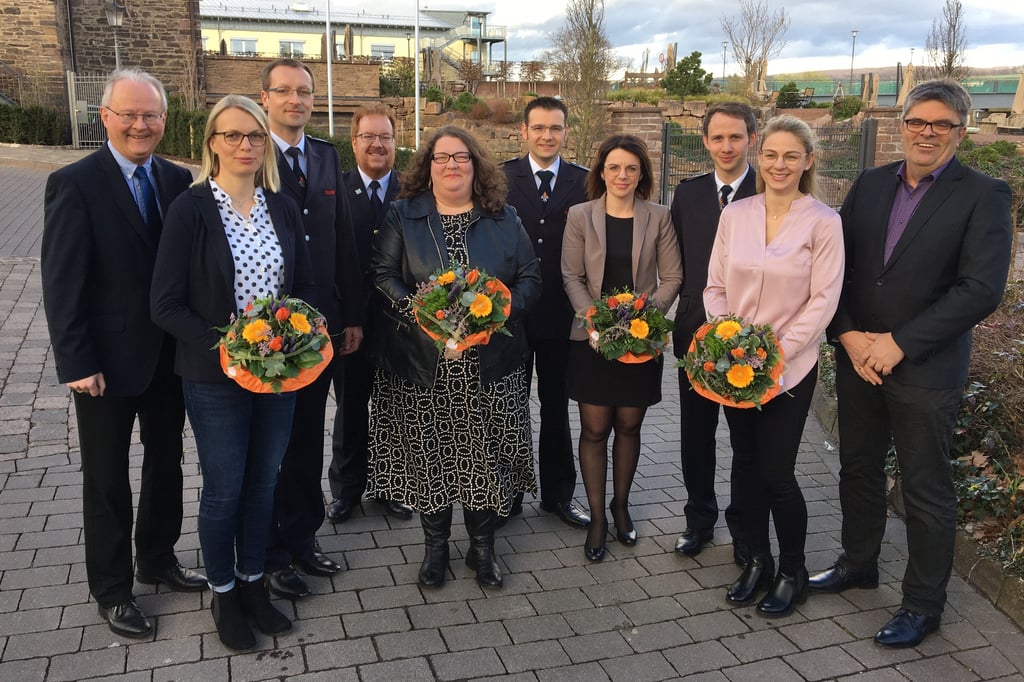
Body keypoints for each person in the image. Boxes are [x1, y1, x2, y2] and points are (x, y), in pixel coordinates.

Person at [811, 79, 1013, 646]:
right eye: (917, 122)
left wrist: (898, 342)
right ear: (901, 124)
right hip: (858, 360)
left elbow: (980, 289)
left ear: (961, 130)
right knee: (858, 467)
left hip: (924, 369)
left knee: (925, 488)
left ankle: (924, 605)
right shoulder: (871, 184)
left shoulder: (984, 194)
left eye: (941, 124)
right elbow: (838, 269)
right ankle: (858, 562)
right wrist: (848, 335)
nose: (927, 132)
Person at [40, 67, 205, 640]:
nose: (140, 124)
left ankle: (157, 558)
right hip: (104, 366)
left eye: (151, 115)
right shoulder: (74, 183)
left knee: (168, 462)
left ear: (164, 119)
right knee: (107, 479)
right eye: (129, 114)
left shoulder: (176, 179)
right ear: (105, 117)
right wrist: (77, 362)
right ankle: (111, 590)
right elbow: (62, 283)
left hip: (168, 357)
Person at [151, 95, 317, 651]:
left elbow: (302, 289)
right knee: (225, 490)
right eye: (232, 135)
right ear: (211, 143)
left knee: (263, 485)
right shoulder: (191, 208)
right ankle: (223, 593)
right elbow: (165, 303)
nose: (245, 145)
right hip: (214, 376)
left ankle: (252, 585)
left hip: (279, 376)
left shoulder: (283, 206)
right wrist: (227, 348)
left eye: (254, 136)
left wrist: (299, 344)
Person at [368, 125, 541, 589]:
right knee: (431, 457)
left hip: (489, 364)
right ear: (427, 166)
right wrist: (424, 314)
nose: (451, 165)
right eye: (441, 158)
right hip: (424, 364)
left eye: (461, 157)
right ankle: (435, 549)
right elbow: (384, 273)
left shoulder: (505, 217)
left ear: (476, 164)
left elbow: (530, 277)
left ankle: (483, 550)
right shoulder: (403, 215)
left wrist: (496, 315)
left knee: (484, 456)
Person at [705, 115, 844, 616]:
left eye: (791, 156)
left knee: (777, 471)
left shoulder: (824, 222)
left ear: (807, 161)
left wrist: (776, 351)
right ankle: (757, 559)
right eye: (771, 155)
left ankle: (793, 569)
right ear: (758, 158)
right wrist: (730, 339)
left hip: (789, 367)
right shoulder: (735, 215)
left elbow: (824, 299)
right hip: (735, 364)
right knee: (745, 464)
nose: (779, 164)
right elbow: (715, 286)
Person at [258, 57, 363, 600]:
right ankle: (268, 553)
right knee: (271, 445)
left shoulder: (324, 156)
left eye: (304, 92)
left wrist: (349, 319)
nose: (295, 100)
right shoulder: (250, 153)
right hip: (267, 335)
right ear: (266, 97)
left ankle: (302, 540)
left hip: (319, 328)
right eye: (284, 91)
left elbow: (342, 241)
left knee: (305, 441)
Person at [561, 134, 682, 562]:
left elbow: (672, 278)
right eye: (614, 167)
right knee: (594, 430)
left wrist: (644, 320)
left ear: (642, 174)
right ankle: (597, 517)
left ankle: (621, 506)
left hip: (641, 342)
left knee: (629, 427)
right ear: (601, 172)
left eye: (631, 168)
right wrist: (596, 323)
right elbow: (571, 277)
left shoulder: (659, 217)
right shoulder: (579, 215)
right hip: (592, 342)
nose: (622, 175)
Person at [670, 102, 758, 561]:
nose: (726, 147)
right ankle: (699, 519)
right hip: (694, 334)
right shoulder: (687, 195)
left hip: (748, 340)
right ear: (704, 141)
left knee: (746, 439)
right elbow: (678, 262)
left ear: (752, 139)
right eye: (718, 138)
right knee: (695, 432)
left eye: (736, 137)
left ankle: (744, 529)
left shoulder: (770, 190)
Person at [502, 96, 591, 528]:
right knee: (510, 407)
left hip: (562, 316)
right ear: (524, 131)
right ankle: (509, 493)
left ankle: (558, 495)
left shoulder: (586, 182)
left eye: (555, 128)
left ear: (565, 132)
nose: (546, 136)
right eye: (538, 128)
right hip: (510, 316)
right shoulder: (500, 178)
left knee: (556, 408)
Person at [326, 103, 413, 524]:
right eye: (368, 137)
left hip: (402, 323)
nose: (377, 145)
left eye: (385, 137)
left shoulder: (413, 192)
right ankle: (346, 490)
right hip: (352, 322)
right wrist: (343, 319)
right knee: (351, 407)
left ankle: (393, 486)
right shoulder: (334, 188)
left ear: (396, 143)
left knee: (397, 409)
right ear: (354, 141)